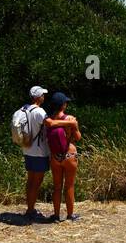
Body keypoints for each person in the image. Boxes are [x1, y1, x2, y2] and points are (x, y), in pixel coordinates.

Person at [19, 85, 78, 221]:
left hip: (30, 150)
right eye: (42, 95)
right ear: (38, 97)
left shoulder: (25, 109)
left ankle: (50, 214)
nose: (43, 97)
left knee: (39, 183)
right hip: (49, 153)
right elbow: (52, 125)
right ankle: (69, 215)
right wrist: (71, 124)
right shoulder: (41, 112)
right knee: (65, 185)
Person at [47, 92, 81, 222]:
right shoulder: (69, 119)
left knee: (57, 186)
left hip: (55, 156)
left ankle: (56, 215)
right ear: (63, 105)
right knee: (69, 186)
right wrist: (76, 127)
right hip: (69, 154)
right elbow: (77, 137)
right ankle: (70, 215)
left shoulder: (50, 120)